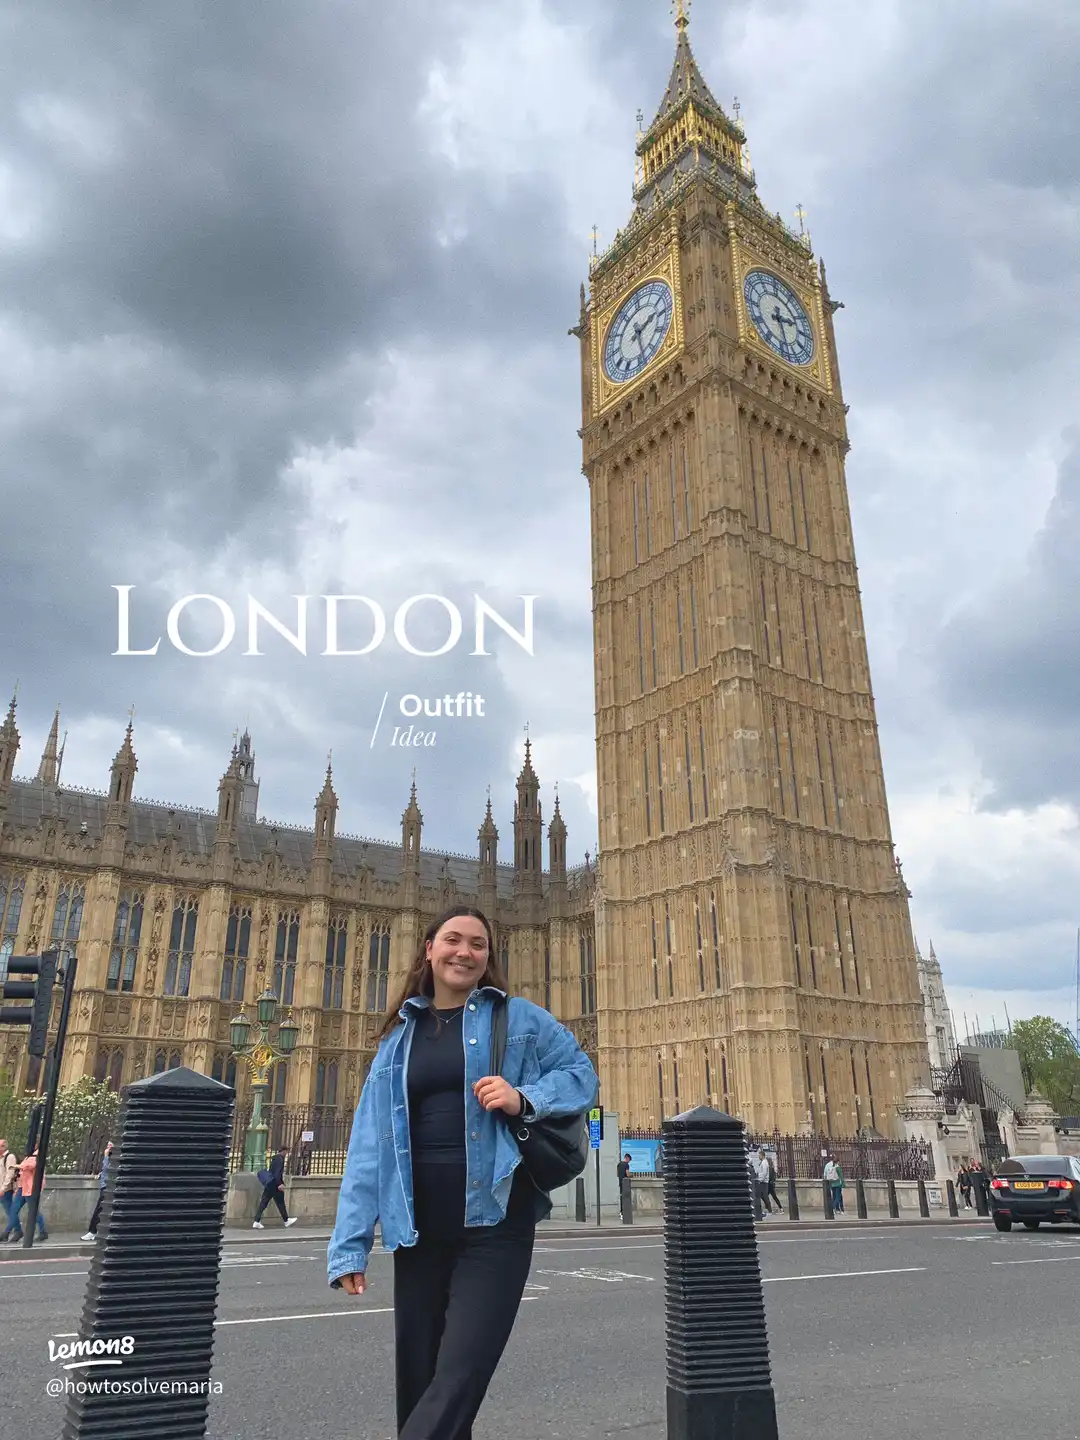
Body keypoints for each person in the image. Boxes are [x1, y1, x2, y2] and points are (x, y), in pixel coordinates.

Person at [328, 905, 598, 1440]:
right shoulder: (397, 1038)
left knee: (459, 1376)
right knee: (421, 1382)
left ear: (488, 957)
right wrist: (350, 1243)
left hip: (496, 1221)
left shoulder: (516, 1018)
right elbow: (368, 1147)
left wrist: (525, 1098)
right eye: (453, 940)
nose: (464, 952)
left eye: (478, 944)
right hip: (418, 1226)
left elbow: (581, 1075)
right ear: (428, 948)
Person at [8, 1146, 48, 1241]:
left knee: (33, 1211)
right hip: (23, 1187)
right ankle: (17, 1231)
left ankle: (43, 1232)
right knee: (13, 1210)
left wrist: (15, 1166)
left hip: (31, 1188)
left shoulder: (37, 1155)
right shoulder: (29, 1155)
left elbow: (29, 1166)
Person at [253, 1146, 297, 1229]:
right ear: (283, 1151)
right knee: (280, 1203)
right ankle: (286, 1221)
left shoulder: (274, 1158)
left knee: (264, 1202)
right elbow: (277, 1173)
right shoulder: (280, 1159)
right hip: (275, 1184)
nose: (286, 1154)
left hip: (269, 1183)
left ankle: (256, 1221)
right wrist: (280, 1184)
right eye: (286, 1152)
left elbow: (271, 1171)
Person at [81, 1141, 113, 1241]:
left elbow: (109, 1169)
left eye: (109, 1146)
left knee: (98, 1210)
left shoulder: (111, 1157)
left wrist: (106, 1156)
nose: (107, 1148)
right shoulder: (110, 1157)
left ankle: (92, 1231)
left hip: (107, 1187)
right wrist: (100, 1174)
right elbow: (105, 1170)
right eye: (107, 1145)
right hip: (104, 1186)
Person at [0, 1139, 18, 1241]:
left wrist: (3, 1188)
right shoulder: (0, 1158)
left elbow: (9, 1175)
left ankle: (14, 1232)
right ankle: (17, 1231)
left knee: (11, 1212)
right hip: (1, 1189)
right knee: (11, 1212)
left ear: (4, 1147)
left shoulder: (9, 1157)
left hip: (6, 1190)